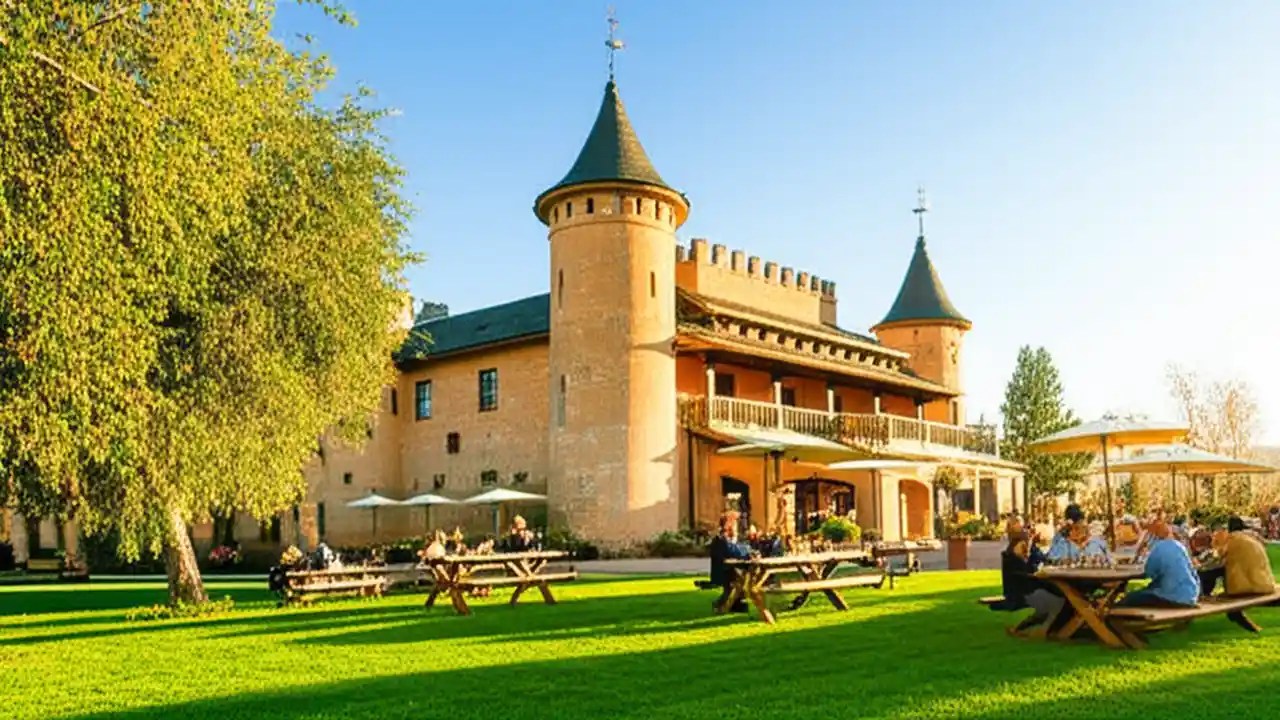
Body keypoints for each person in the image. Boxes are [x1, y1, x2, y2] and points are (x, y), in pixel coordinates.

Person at [1118, 519, 1200, 608]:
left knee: (1130, 598)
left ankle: (1108, 617)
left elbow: (1149, 573)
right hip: (1190, 596)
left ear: (1155, 534)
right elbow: (1193, 571)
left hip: (1170, 597)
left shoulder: (1158, 548)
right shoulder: (1180, 547)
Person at [997, 530, 1065, 636]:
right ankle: (1047, 630)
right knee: (1058, 601)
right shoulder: (1012, 559)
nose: (1026, 547)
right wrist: (1035, 576)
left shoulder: (1017, 558)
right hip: (1022, 593)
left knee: (1053, 601)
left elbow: (1031, 569)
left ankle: (1025, 629)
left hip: (1026, 590)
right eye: (1023, 544)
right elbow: (1022, 575)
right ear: (1016, 544)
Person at [709, 512, 751, 613]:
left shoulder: (726, 539)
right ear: (730, 525)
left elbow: (737, 551)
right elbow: (734, 552)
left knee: (743, 577)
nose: (737, 527)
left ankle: (733, 603)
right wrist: (748, 551)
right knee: (742, 578)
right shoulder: (722, 539)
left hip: (728, 570)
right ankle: (724, 604)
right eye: (735, 524)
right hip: (724, 572)